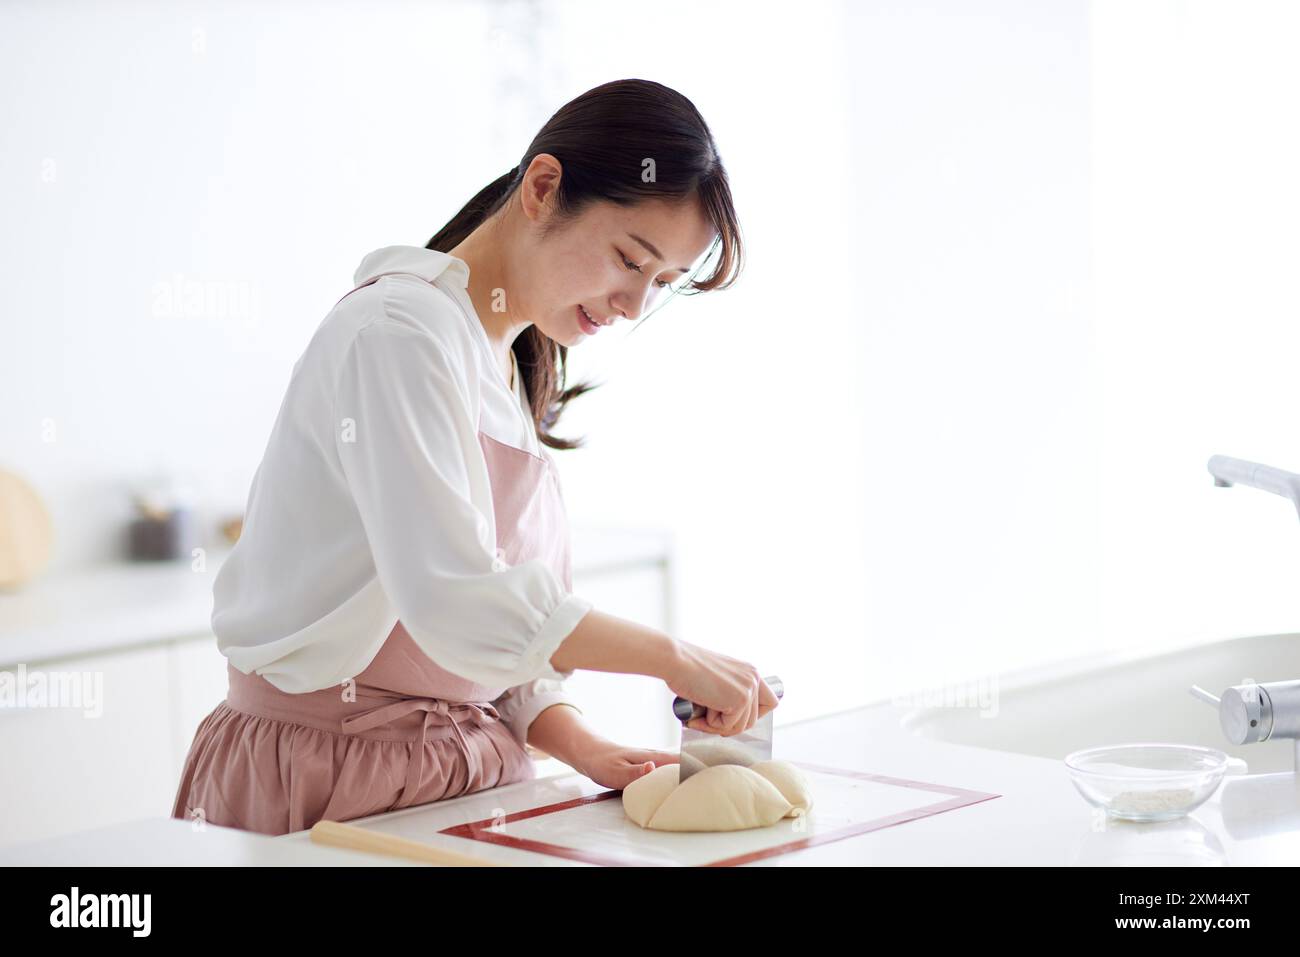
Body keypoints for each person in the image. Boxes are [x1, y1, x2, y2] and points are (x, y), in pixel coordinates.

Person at [171, 78, 779, 836]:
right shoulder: (398, 332)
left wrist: (584, 746)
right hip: (327, 780)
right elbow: (454, 598)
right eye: (630, 258)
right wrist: (672, 657)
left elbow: (495, 639)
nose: (633, 306)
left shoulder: (506, 356)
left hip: (460, 779)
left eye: (660, 284)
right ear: (544, 187)